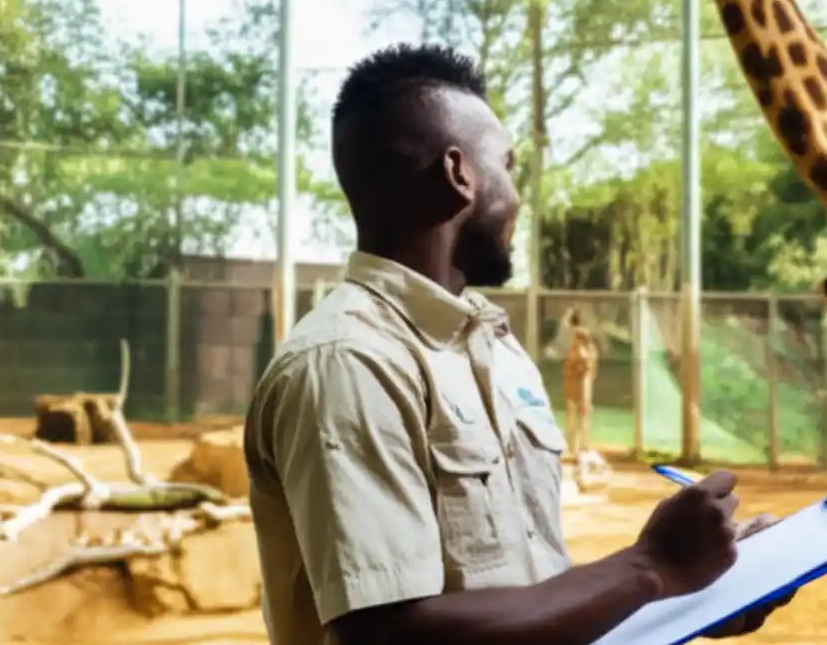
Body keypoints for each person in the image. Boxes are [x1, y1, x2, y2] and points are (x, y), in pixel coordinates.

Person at [243, 43, 793, 645]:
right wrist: (651, 568)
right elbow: (388, 633)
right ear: (460, 175)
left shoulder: (497, 350)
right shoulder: (348, 363)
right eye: (507, 166)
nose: (517, 194)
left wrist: (691, 592)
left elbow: (527, 592)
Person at [562, 307, 599, 459]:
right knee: (573, 411)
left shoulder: (585, 344)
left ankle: (582, 443)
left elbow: (589, 364)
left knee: (583, 411)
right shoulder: (576, 342)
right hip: (576, 379)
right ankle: (574, 444)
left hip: (582, 379)